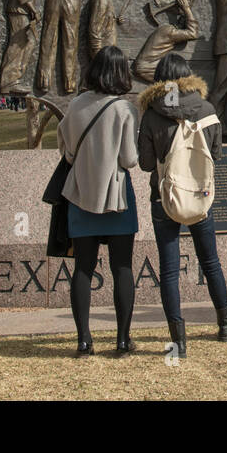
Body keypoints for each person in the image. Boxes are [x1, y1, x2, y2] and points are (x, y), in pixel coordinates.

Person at [137, 52, 227, 358]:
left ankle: (178, 342)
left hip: (164, 197)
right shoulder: (207, 110)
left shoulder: (152, 113)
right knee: (211, 262)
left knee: (169, 271)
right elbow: (217, 154)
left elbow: (144, 163)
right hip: (199, 196)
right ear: (188, 76)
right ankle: (225, 324)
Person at [58, 47, 139, 357]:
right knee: (122, 267)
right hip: (116, 195)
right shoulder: (125, 110)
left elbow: (67, 153)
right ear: (121, 73)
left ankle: (83, 339)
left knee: (83, 268)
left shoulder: (75, 105)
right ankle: (122, 338)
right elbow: (129, 160)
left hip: (80, 193)